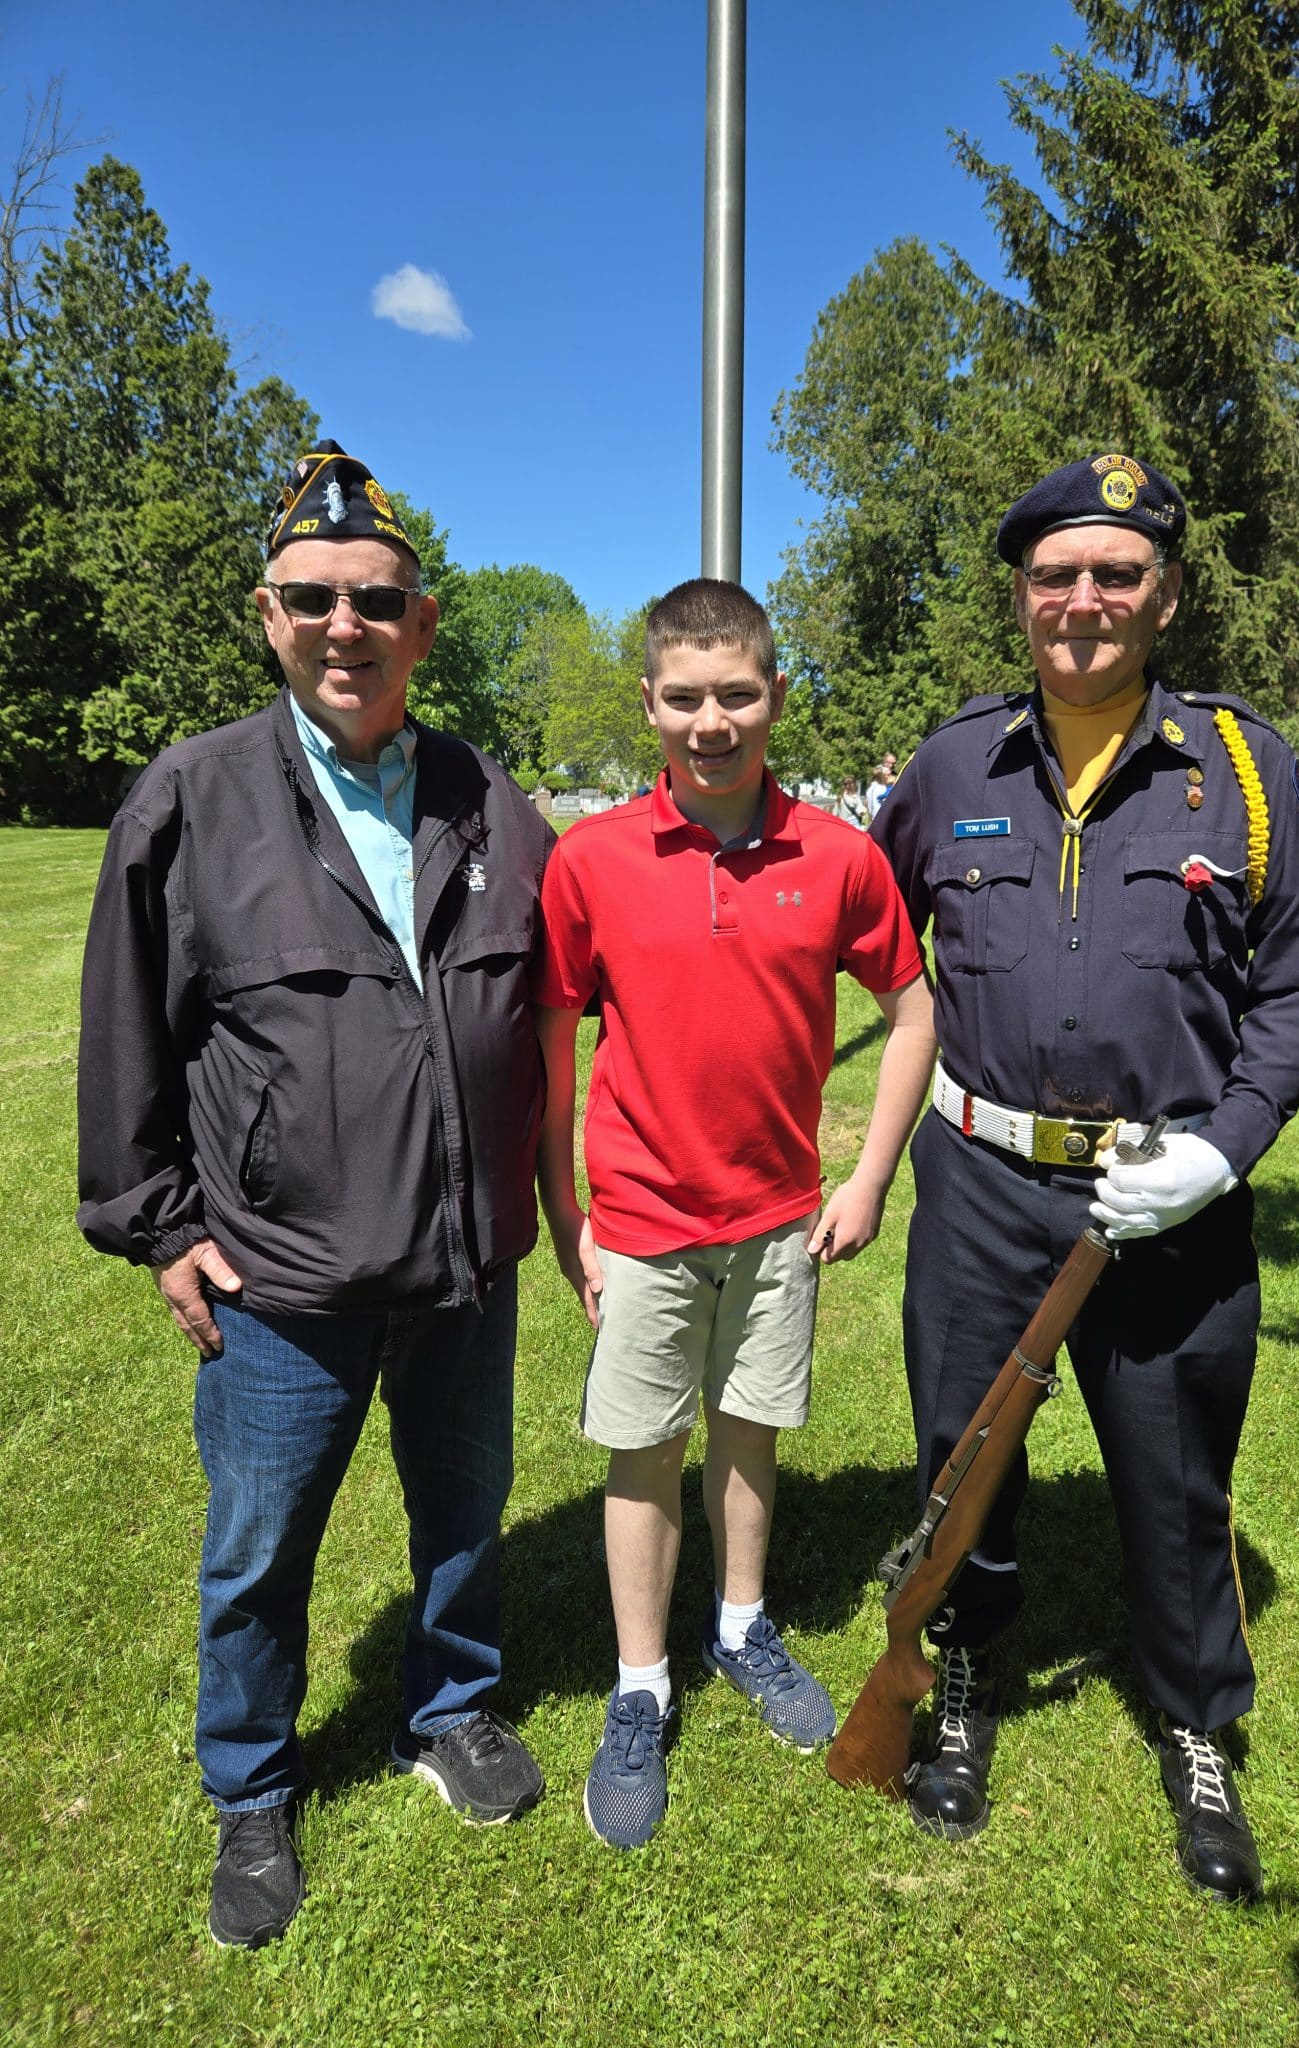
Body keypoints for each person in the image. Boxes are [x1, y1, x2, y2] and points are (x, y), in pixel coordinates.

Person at [76, 443, 554, 1950]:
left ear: (422, 622)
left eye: (376, 601)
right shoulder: (194, 796)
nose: (344, 626)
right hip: (281, 1275)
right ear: (267, 616)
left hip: (468, 1264)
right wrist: (160, 1224)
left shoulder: (494, 799)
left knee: (465, 1512)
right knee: (259, 1548)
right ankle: (252, 1785)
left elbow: (556, 998)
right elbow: (126, 1033)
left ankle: (453, 1707)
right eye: (311, 600)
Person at [871, 453, 1299, 1901]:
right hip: (982, 1183)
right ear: (1020, 600)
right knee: (968, 1459)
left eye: (1116, 573)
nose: (1083, 600)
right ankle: (957, 1684)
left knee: (1177, 1475)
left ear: (1165, 595)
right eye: (1054, 576)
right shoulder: (951, 767)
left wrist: (1222, 1148)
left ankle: (1199, 1729)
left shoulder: (1245, 771)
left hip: (1172, 1197)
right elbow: (864, 937)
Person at [535, 578, 935, 1850]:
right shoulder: (589, 859)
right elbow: (554, 1045)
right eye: (687, 696)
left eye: (738, 693)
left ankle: (744, 1625)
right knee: (645, 1449)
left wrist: (868, 1175)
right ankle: (641, 1683)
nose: (713, 720)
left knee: (750, 1429)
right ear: (650, 700)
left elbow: (914, 1009)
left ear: (775, 694)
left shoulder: (840, 856)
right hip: (645, 1216)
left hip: (777, 1217)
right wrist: (567, 1207)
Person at [865, 752, 898, 824]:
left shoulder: (894, 773)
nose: (892, 765)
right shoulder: (880, 772)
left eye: (894, 763)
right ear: (884, 761)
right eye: (889, 763)